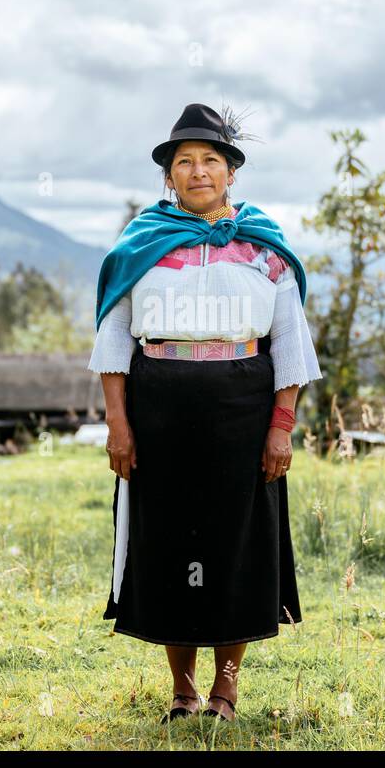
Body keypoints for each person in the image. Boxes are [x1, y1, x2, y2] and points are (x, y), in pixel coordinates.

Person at [88, 102, 323, 724]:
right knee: (168, 541)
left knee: (235, 543)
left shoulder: (264, 248)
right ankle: (183, 691)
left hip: (243, 411)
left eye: (210, 160)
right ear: (169, 176)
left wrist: (281, 428)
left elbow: (291, 347)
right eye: (184, 162)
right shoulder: (139, 247)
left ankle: (225, 692)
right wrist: (118, 422)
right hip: (158, 410)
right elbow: (114, 343)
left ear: (231, 172)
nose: (198, 171)